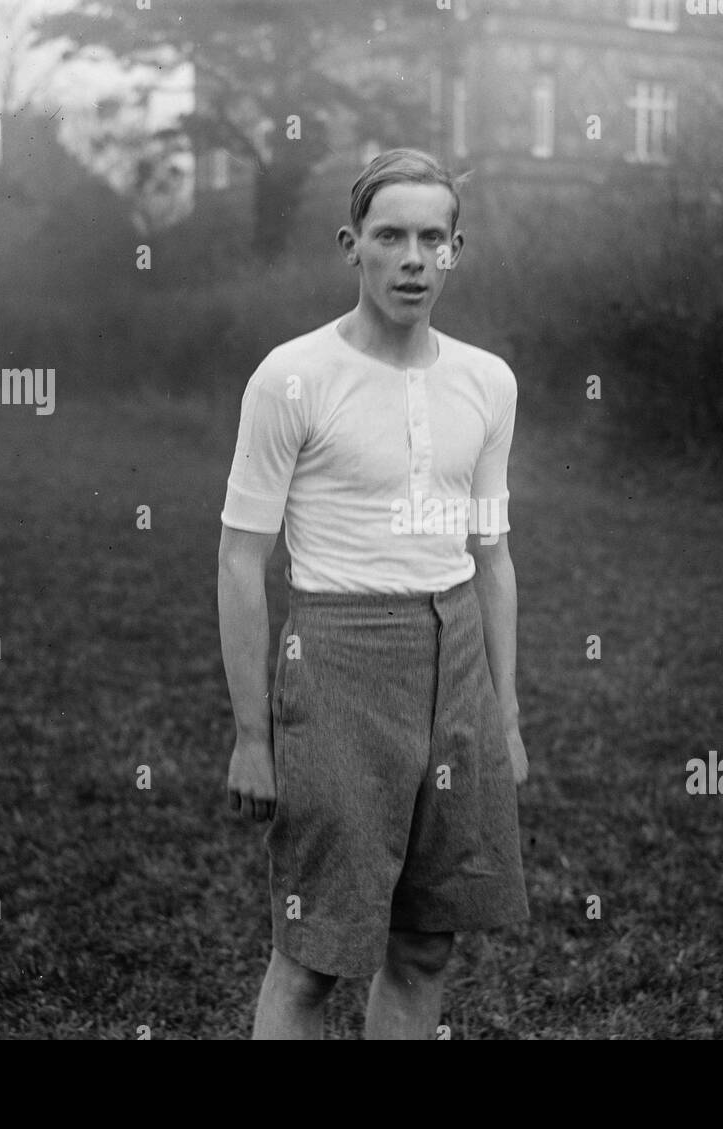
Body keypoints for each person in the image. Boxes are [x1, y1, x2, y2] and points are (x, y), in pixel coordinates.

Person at [217, 148, 528, 1040]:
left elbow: (494, 556)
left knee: (425, 944)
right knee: (315, 956)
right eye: (391, 236)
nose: (413, 258)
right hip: (338, 663)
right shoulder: (292, 376)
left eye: (434, 238)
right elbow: (242, 561)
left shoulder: (488, 380)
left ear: (457, 250)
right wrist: (251, 736)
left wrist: (503, 716)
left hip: (457, 659)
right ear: (351, 245)